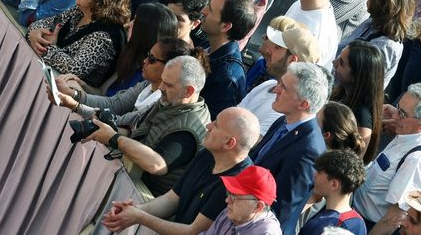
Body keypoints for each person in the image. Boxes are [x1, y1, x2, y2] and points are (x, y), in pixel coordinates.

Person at [98, 106, 263, 234]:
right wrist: (137, 210)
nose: (208, 125)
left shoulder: (237, 185)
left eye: (216, 125)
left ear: (229, 143)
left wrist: (139, 217)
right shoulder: (208, 153)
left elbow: (193, 231)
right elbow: (172, 199)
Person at [250, 62, 329, 233]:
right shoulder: (284, 121)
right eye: (280, 82)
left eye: (284, 88)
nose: (276, 90)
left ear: (303, 104)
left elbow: (281, 208)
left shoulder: (308, 150)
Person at [352, 84, 421, 229]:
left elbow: (394, 218)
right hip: (355, 212)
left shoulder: (417, 160)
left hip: (367, 225)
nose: (394, 116)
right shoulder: (409, 133)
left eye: (401, 113)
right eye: (397, 108)